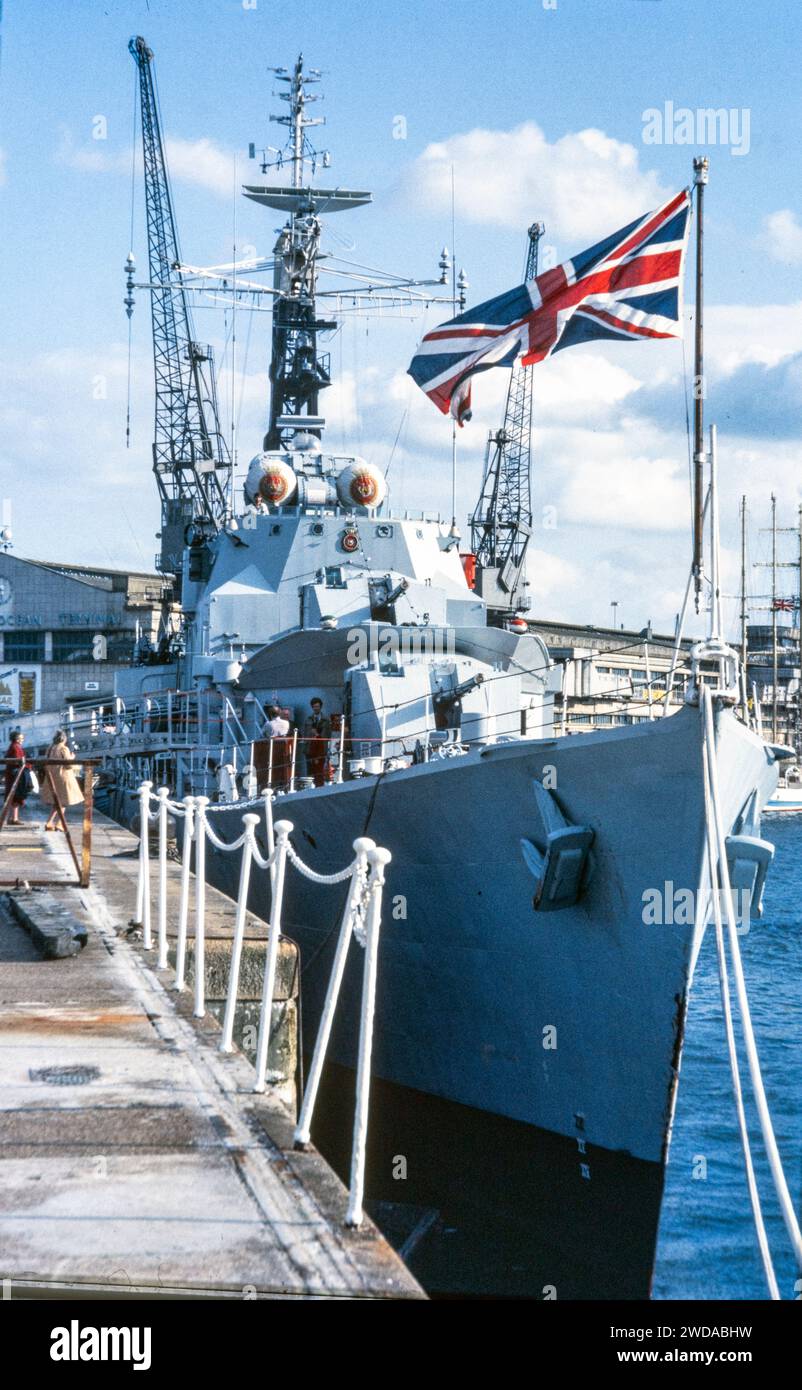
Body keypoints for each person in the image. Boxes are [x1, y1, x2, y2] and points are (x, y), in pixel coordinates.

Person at [40, 730, 84, 831]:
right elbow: (68, 765)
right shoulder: (64, 749)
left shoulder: (50, 749)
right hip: (62, 777)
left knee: (57, 802)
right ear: (63, 739)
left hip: (52, 777)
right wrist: (72, 758)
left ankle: (49, 822)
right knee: (63, 802)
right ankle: (59, 824)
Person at [303, 697, 332, 786]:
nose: (316, 708)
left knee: (319, 770)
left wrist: (318, 735)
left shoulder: (326, 720)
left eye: (318, 706)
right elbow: (305, 733)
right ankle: (310, 786)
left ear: (321, 707)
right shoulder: (308, 719)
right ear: (312, 707)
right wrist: (312, 734)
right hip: (310, 749)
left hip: (321, 749)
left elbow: (328, 735)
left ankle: (320, 786)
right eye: (314, 706)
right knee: (310, 770)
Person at [3, 728, 27, 826]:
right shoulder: (15, 747)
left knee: (14, 797)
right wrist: (27, 765)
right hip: (15, 775)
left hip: (13, 774)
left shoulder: (14, 746)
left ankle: (13, 818)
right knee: (14, 796)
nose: (23, 740)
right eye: (21, 738)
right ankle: (12, 818)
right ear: (17, 739)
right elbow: (19, 761)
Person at [265, 703, 291, 787]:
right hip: (285, 747)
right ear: (279, 713)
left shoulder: (268, 724)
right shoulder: (286, 723)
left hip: (273, 748)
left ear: (270, 714)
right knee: (284, 766)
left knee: (274, 767)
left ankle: (274, 785)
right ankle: (285, 784)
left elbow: (262, 734)